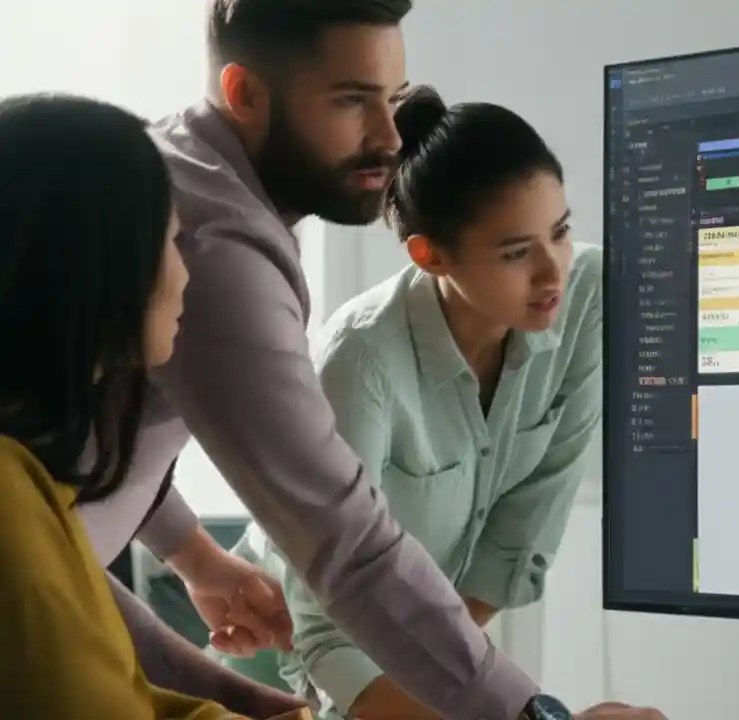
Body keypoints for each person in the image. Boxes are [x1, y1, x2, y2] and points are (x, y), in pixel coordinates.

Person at [70, 1, 662, 718]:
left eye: (391, 98)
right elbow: (347, 551)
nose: (389, 138)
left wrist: (194, 557)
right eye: (352, 101)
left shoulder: (175, 176)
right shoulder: (222, 255)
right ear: (245, 94)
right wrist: (531, 715)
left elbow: (85, 456)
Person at [215, 85, 607, 720]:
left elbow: (520, 530)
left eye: (560, 232)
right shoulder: (361, 361)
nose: (552, 272)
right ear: (430, 255)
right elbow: (325, 634)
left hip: (407, 650)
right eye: (515, 253)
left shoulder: (586, 297)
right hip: (288, 650)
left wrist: (454, 685)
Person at [0, 92, 308, 720]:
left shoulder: (32, 480)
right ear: (104, 264)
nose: (188, 272)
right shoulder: (10, 499)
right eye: (171, 241)